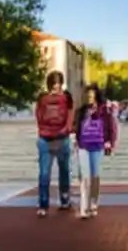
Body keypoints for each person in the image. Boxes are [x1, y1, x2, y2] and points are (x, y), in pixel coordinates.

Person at [73, 83, 117, 219]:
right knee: (85, 177)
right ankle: (83, 207)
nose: (90, 98)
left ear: (97, 97)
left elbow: (111, 127)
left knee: (95, 175)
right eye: (88, 96)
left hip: (98, 146)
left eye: (92, 96)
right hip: (83, 146)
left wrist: (110, 142)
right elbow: (75, 128)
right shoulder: (81, 111)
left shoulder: (104, 111)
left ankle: (93, 203)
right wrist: (75, 141)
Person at [34, 71, 74, 217]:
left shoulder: (65, 98)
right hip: (48, 139)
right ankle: (45, 203)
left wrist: (65, 130)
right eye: (54, 84)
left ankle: (63, 199)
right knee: (45, 173)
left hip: (59, 139)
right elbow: (39, 117)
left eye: (58, 84)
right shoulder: (44, 99)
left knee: (61, 172)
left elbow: (70, 117)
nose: (56, 87)